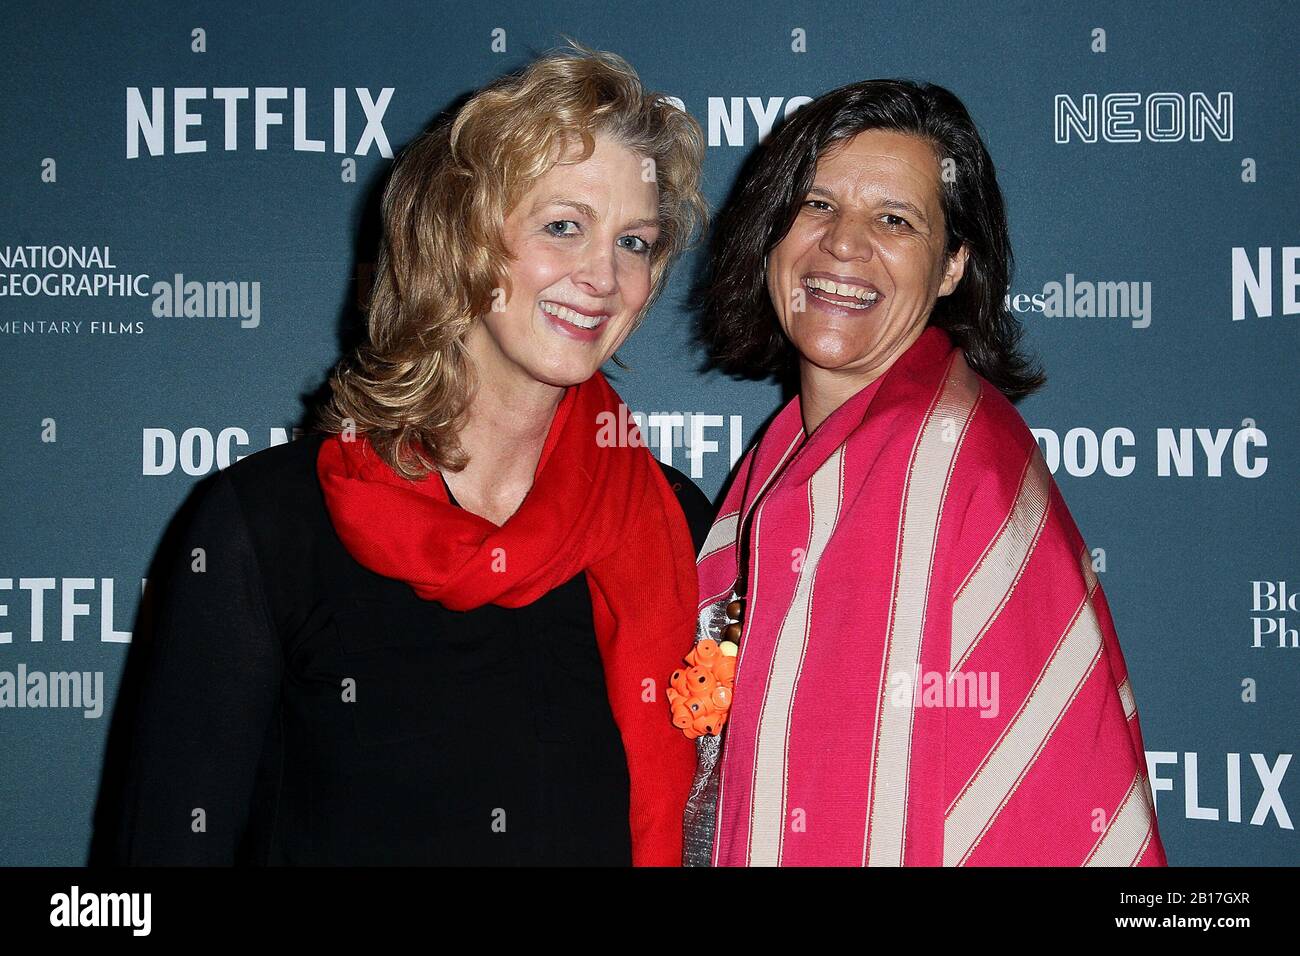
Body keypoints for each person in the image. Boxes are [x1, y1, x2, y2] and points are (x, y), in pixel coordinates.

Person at [116, 43, 712, 866]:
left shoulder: (677, 522)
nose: (603, 276)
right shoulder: (266, 528)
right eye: (563, 226)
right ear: (460, 236)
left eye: (636, 242)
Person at [681, 79, 1166, 866]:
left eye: (895, 220)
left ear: (952, 267)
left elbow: (1050, 807)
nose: (844, 244)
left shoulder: (950, 460)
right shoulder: (776, 468)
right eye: (817, 205)